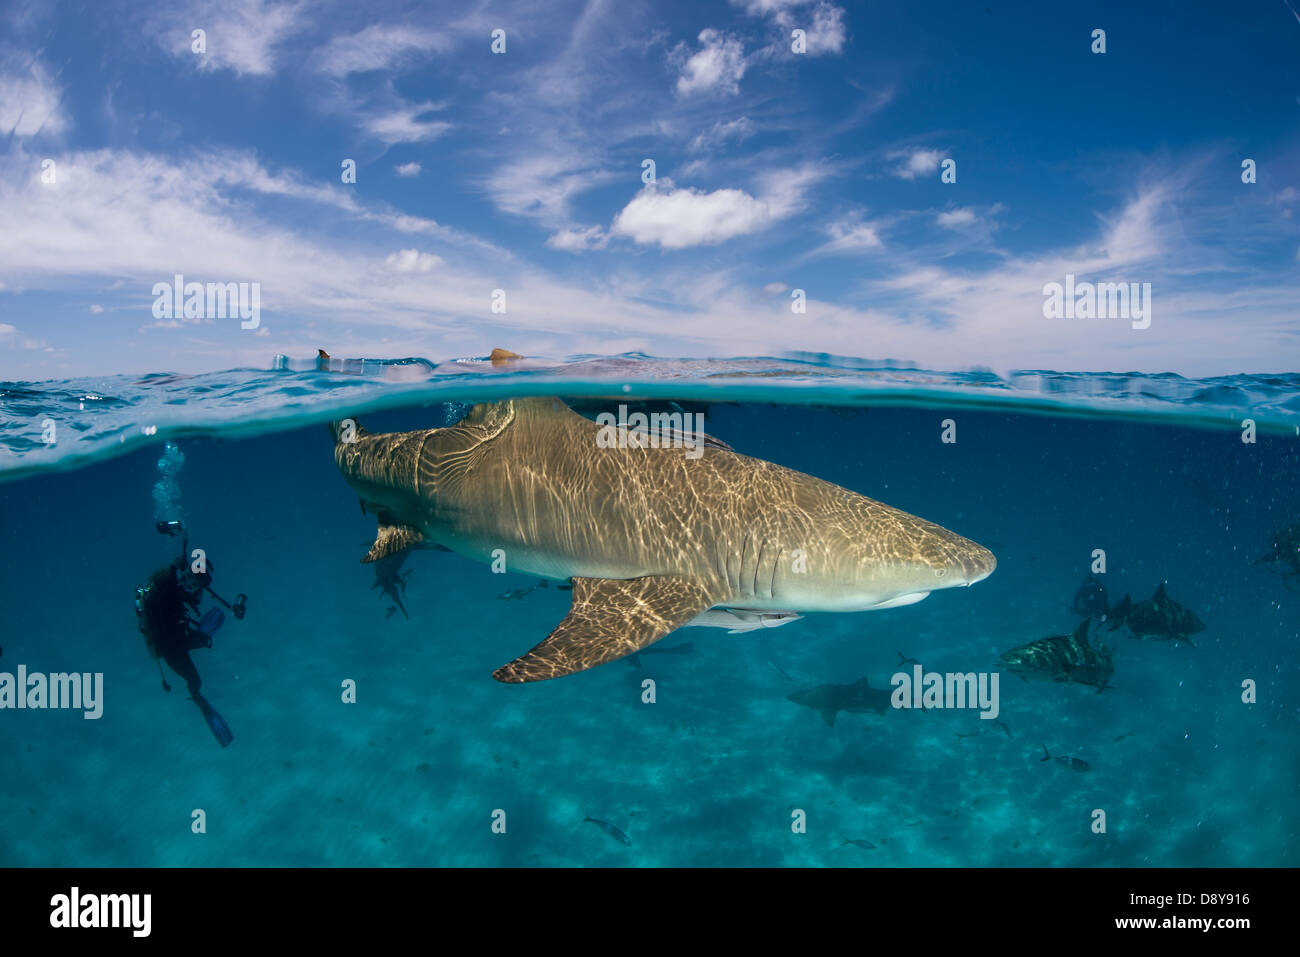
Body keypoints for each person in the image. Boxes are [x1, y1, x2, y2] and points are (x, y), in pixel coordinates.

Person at [134, 521, 246, 748]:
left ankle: (197, 692)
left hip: (172, 634)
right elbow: (177, 640)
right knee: (195, 679)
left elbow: (150, 594)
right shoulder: (170, 601)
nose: (196, 589)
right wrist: (200, 640)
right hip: (169, 645)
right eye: (195, 583)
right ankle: (198, 699)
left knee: (197, 648)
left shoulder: (170, 578)